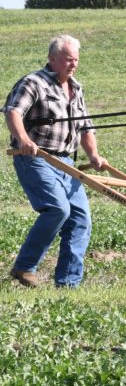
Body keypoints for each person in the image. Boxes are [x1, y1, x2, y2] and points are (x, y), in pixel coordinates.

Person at [4, 35, 107, 288]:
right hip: (36, 157)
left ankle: (68, 284)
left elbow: (85, 126)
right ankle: (25, 266)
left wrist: (93, 155)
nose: (73, 64)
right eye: (68, 59)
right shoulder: (33, 82)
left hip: (65, 162)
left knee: (80, 218)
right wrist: (24, 139)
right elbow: (13, 111)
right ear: (52, 59)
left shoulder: (77, 88)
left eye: (76, 60)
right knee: (58, 209)